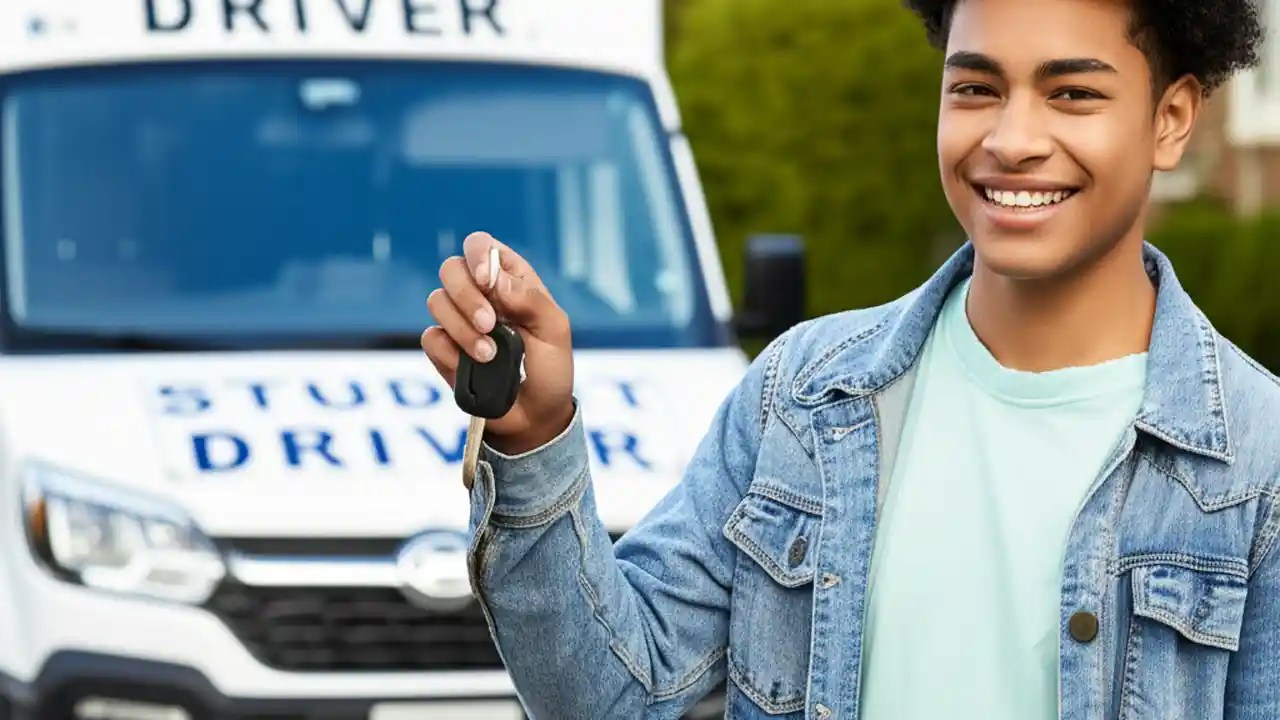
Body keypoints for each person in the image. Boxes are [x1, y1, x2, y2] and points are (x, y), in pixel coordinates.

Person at [420, 0, 1278, 717]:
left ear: (1170, 120)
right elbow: (611, 698)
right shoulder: (801, 398)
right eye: (977, 87)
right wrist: (532, 438)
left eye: (1073, 95)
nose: (1013, 138)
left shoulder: (1261, 465)